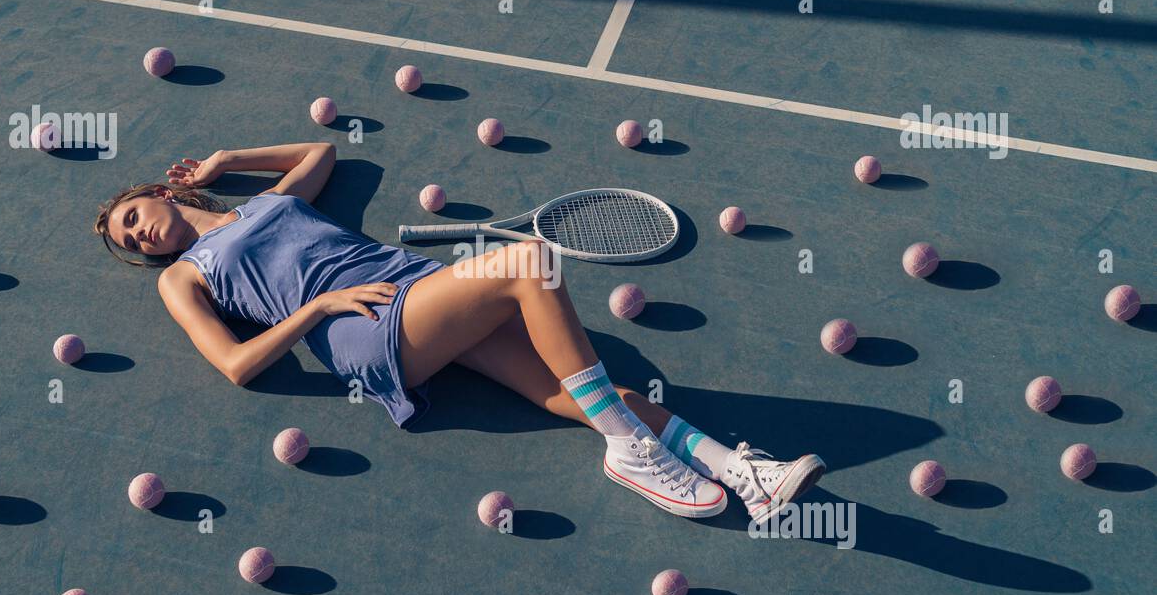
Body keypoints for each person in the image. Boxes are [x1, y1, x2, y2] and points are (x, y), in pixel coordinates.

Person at [92, 140, 825, 521]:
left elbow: (321, 155)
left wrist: (225, 163)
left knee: (589, 393)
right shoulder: (182, 276)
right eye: (132, 242)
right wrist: (311, 313)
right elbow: (233, 365)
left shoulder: (260, 206)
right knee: (530, 263)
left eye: (134, 217)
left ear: (161, 192)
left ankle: (743, 474)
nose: (142, 236)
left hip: (417, 292)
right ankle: (631, 456)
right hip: (367, 327)